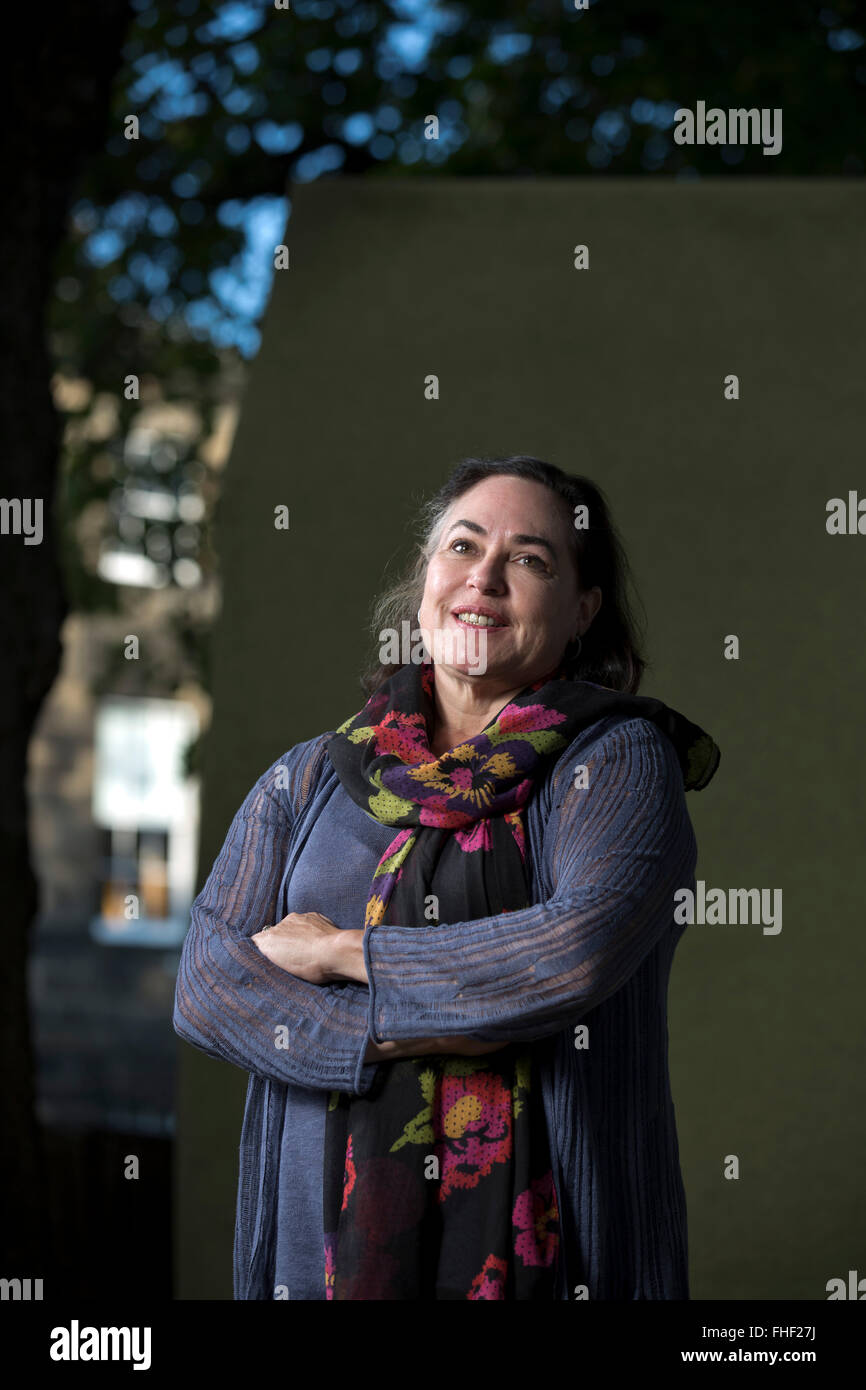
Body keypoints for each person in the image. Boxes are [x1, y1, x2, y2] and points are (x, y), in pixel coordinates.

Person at [173, 454, 721, 1301]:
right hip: (308, 1274)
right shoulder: (313, 775)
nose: (485, 578)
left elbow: (569, 954)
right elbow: (209, 985)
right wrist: (399, 1034)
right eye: (462, 546)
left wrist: (348, 955)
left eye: (531, 560)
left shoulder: (616, 761)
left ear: (582, 610)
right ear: (427, 579)